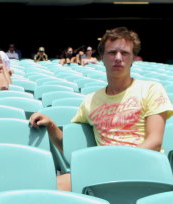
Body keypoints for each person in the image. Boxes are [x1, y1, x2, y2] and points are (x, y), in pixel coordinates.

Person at [29, 27, 173, 191]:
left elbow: (154, 142)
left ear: (133, 58)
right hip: (103, 171)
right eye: (112, 53)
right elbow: (71, 150)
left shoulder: (151, 89)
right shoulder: (90, 101)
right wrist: (51, 126)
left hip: (147, 168)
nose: (118, 58)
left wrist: (115, 165)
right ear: (102, 58)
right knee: (47, 188)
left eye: (124, 53)